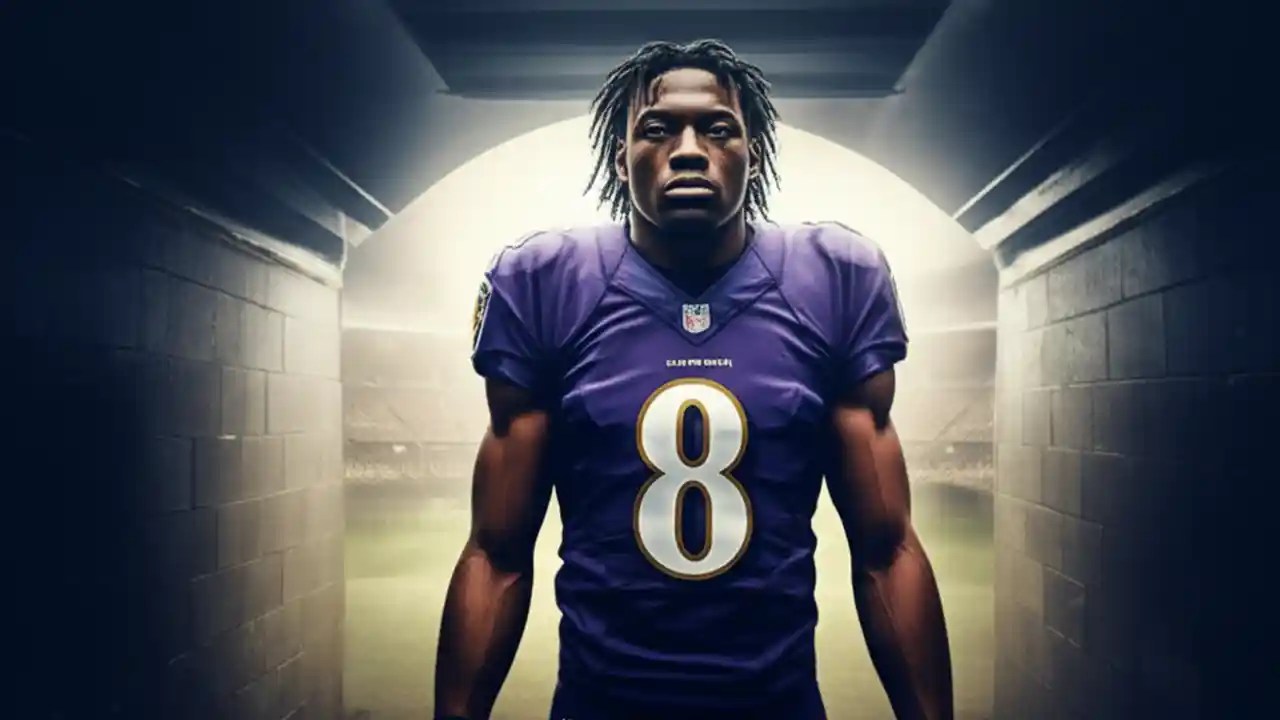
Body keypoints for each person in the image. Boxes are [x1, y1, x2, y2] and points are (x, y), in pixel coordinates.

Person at [434, 39, 953, 720]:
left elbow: (886, 550)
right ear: (620, 159)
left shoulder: (835, 280)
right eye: (656, 129)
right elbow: (497, 553)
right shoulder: (544, 286)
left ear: (753, 154)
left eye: (717, 128)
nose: (687, 150)